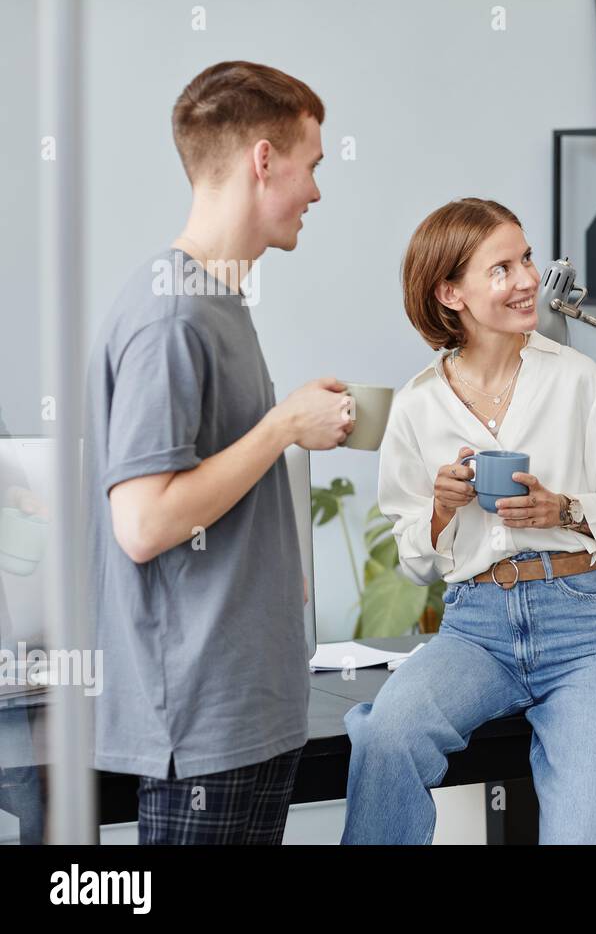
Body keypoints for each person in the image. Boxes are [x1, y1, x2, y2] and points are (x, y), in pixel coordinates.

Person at [83, 61, 353, 844]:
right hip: (204, 724)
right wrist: (281, 429)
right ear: (264, 159)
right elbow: (143, 523)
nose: (317, 191)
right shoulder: (173, 316)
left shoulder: (218, 299)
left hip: (244, 707)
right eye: (313, 165)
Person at [341, 198, 596, 845]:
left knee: (583, 834)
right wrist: (442, 509)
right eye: (503, 268)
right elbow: (412, 557)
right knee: (386, 736)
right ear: (450, 292)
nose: (529, 279)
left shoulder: (580, 381)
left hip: (584, 630)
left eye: (527, 259)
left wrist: (563, 508)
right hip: (475, 630)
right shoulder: (418, 406)